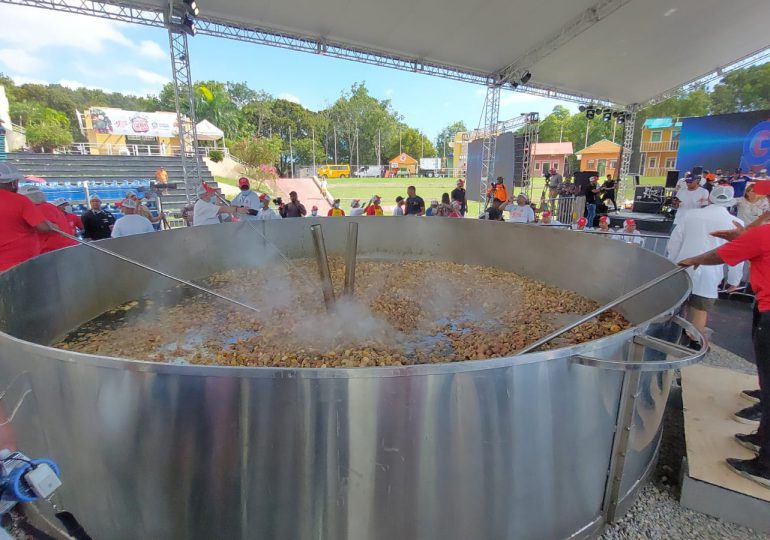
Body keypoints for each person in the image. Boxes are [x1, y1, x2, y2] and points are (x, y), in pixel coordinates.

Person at [678, 182, 770, 489]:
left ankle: (766, 466)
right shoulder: (754, 229)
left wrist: (693, 260)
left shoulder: (759, 233)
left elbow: (724, 254)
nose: (763, 201)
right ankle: (762, 437)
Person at [667, 186, 743, 336]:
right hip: (710, 272)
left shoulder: (690, 215)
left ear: (709, 198)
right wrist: (734, 279)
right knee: (700, 309)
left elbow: (674, 242)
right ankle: (693, 342)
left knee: (676, 305)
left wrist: (671, 264)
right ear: (731, 201)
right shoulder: (736, 223)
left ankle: (671, 337)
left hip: (683, 266)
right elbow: (738, 254)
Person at [0, 164, 55, 271]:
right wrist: (52, 226)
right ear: (12, 183)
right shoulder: (20, 200)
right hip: (19, 266)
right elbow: (43, 227)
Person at [18, 185, 76, 253]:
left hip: (52, 252)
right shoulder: (50, 207)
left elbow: (48, 228)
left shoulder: (35, 210)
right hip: (65, 249)